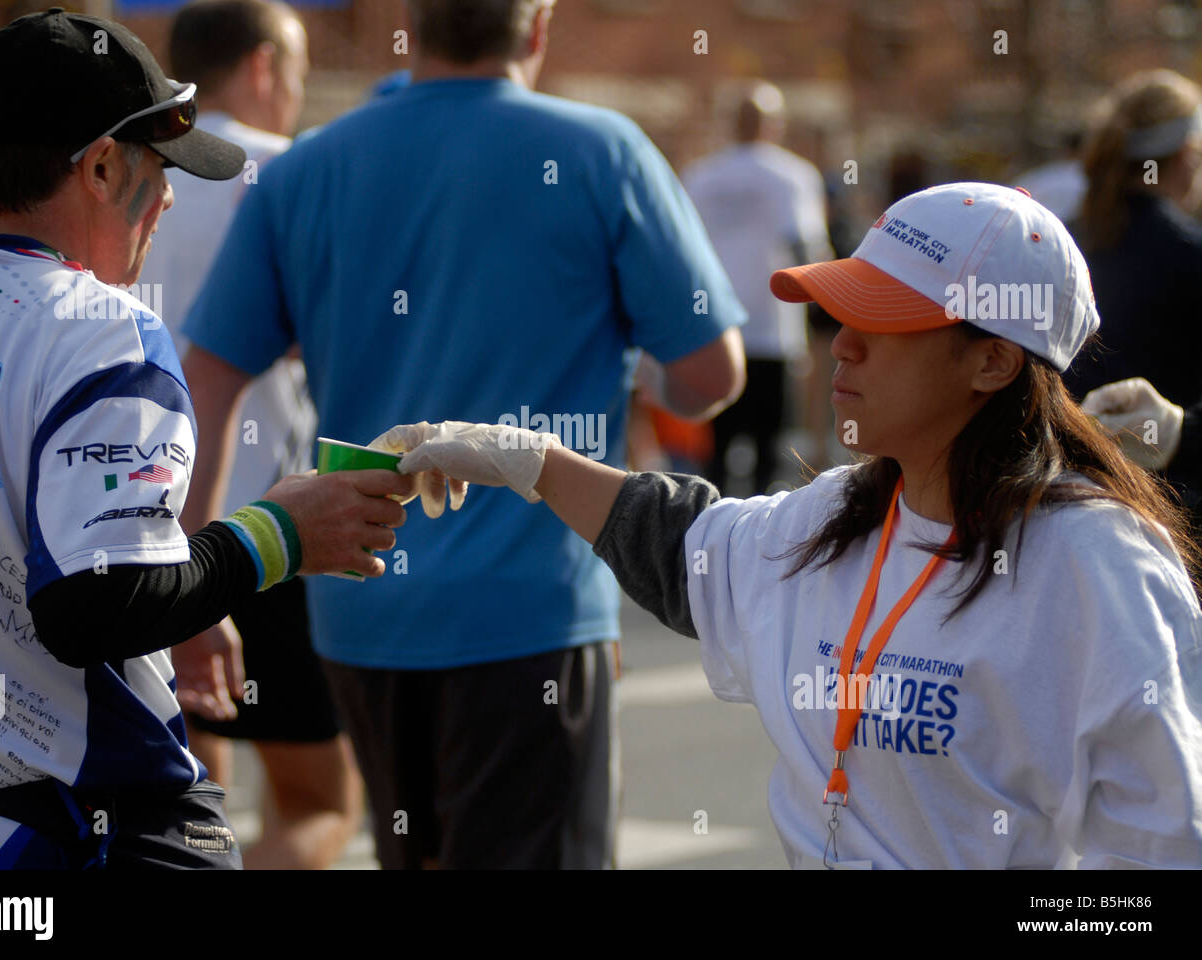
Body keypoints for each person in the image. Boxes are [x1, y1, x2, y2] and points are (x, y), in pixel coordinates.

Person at [386, 182, 1202, 868]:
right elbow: (680, 546)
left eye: (883, 318)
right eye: (841, 310)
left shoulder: (1098, 565)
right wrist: (523, 459)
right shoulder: (838, 512)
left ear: (992, 360)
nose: (841, 345)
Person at [180, 0, 746, 869]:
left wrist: (195, 581)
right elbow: (712, 375)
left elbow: (209, 380)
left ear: (414, 24)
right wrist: (625, 358)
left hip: (360, 595)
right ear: (538, 28)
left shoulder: (309, 166)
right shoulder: (603, 150)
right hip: (533, 603)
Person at [0, 8, 412, 870]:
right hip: (93, 823)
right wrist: (277, 535)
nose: (169, 197)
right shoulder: (101, 332)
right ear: (101, 166)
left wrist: (187, 584)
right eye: (157, 167)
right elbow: (96, 603)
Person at [140, 0, 361, 872]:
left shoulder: (127, 169)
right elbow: (336, 333)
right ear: (266, 66)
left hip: (126, 526)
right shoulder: (285, 171)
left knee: (192, 803)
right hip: (254, 534)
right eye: (299, 75)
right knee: (321, 805)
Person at [1065, 70, 1202, 524]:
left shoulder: (1060, 241)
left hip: (1056, 498)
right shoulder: (1187, 252)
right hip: (1167, 506)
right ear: (1186, 155)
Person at [683, 81, 832, 495]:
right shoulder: (792, 176)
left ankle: (706, 540)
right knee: (769, 452)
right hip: (772, 330)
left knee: (716, 452)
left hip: (717, 329)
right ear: (775, 124)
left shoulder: (701, 175)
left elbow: (682, 249)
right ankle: (759, 548)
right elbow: (807, 249)